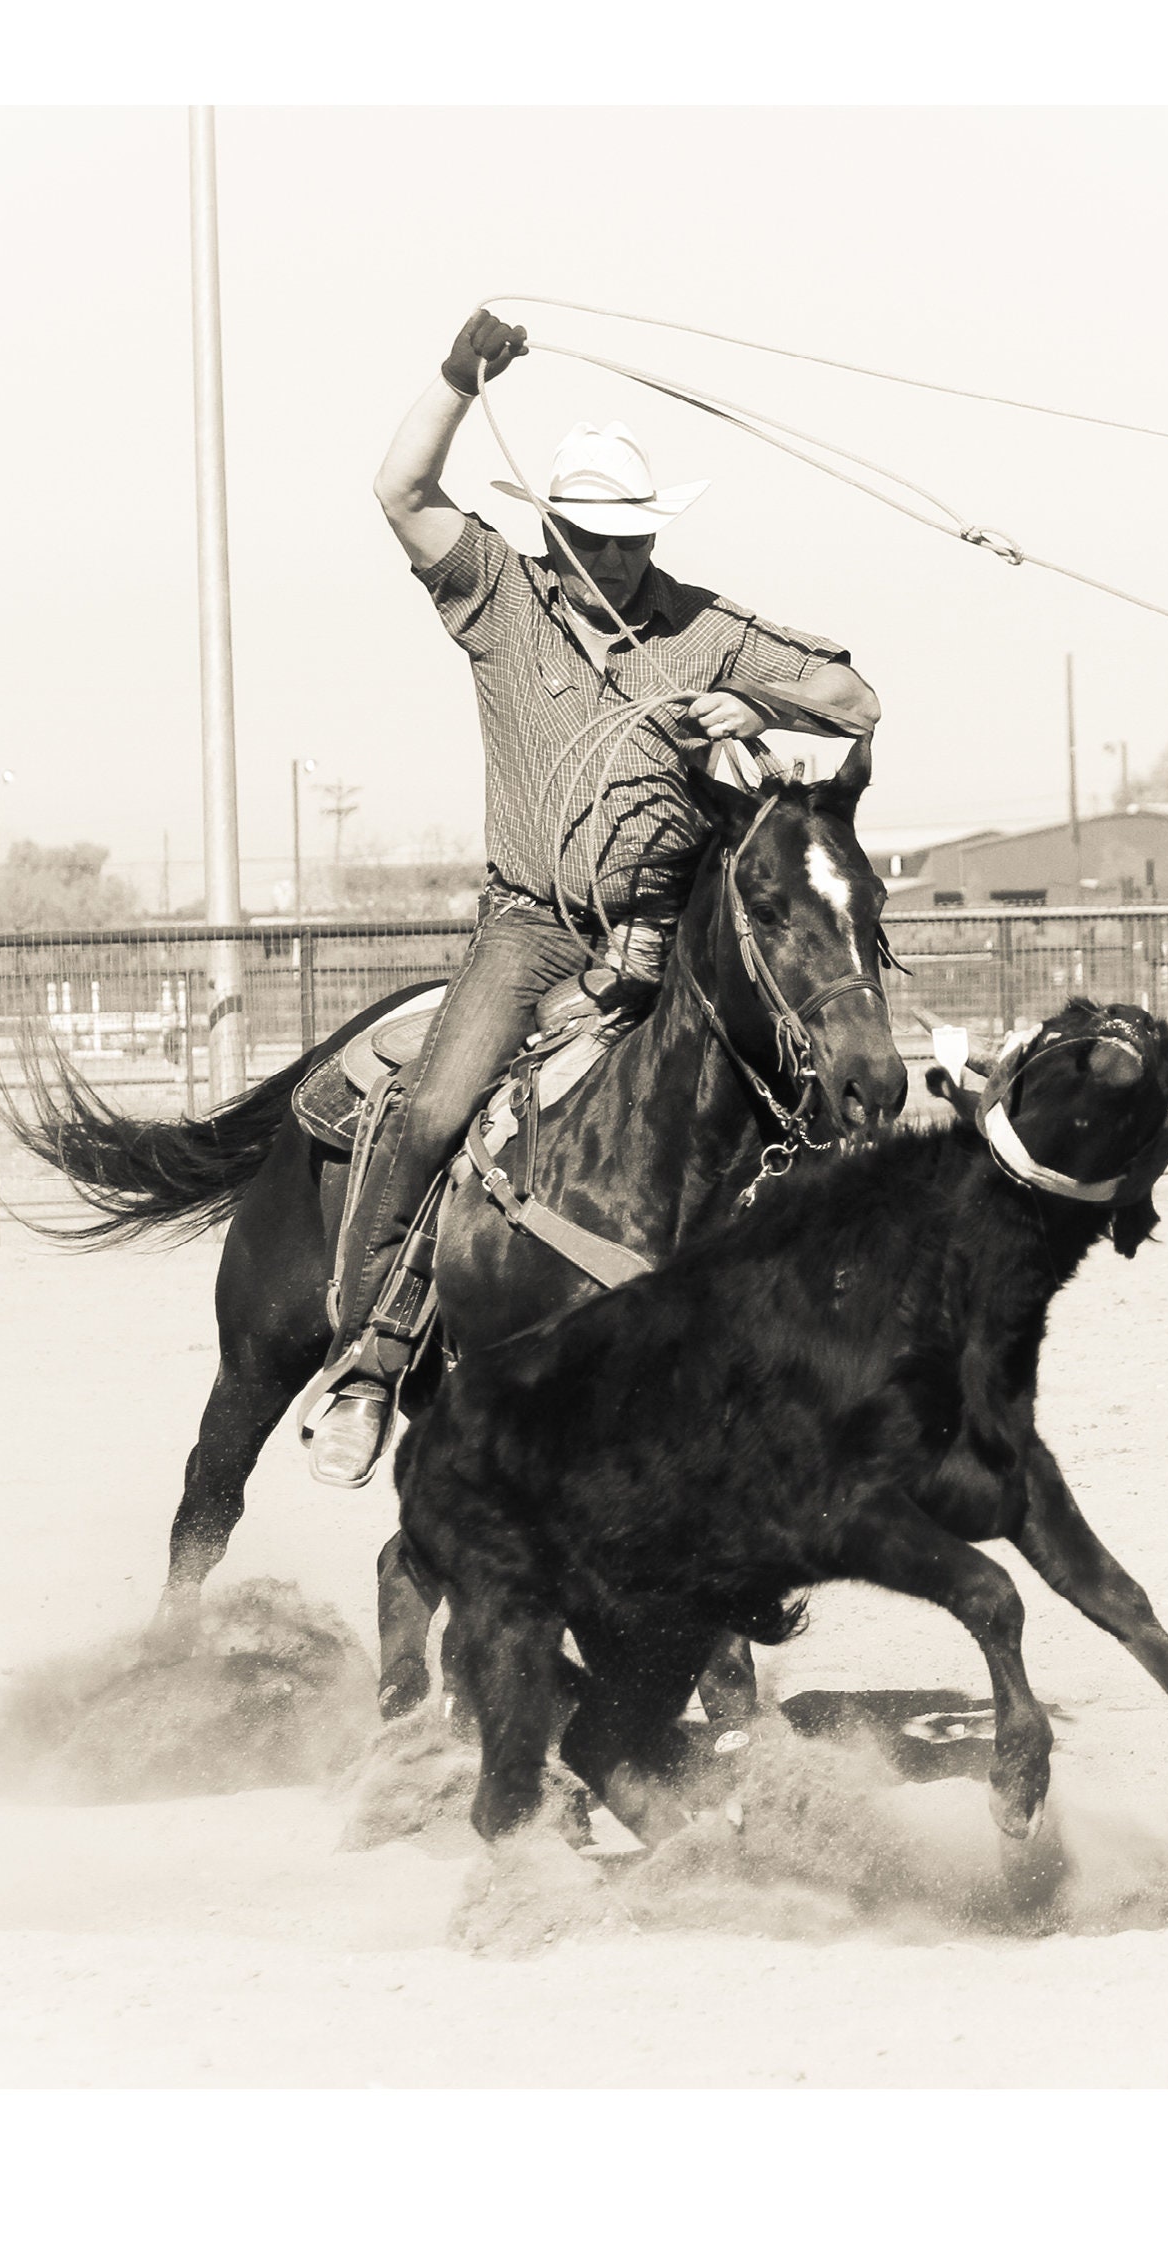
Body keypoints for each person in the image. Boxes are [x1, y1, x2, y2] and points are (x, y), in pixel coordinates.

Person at [301, 308, 881, 1487]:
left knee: (787, 1104)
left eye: (630, 539)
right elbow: (401, 490)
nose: (614, 559)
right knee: (434, 1107)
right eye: (593, 537)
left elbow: (859, 700)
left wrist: (762, 710)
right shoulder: (501, 603)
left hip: (660, 935)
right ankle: (370, 1356)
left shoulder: (704, 629)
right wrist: (458, 380)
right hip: (528, 930)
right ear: (553, 532)